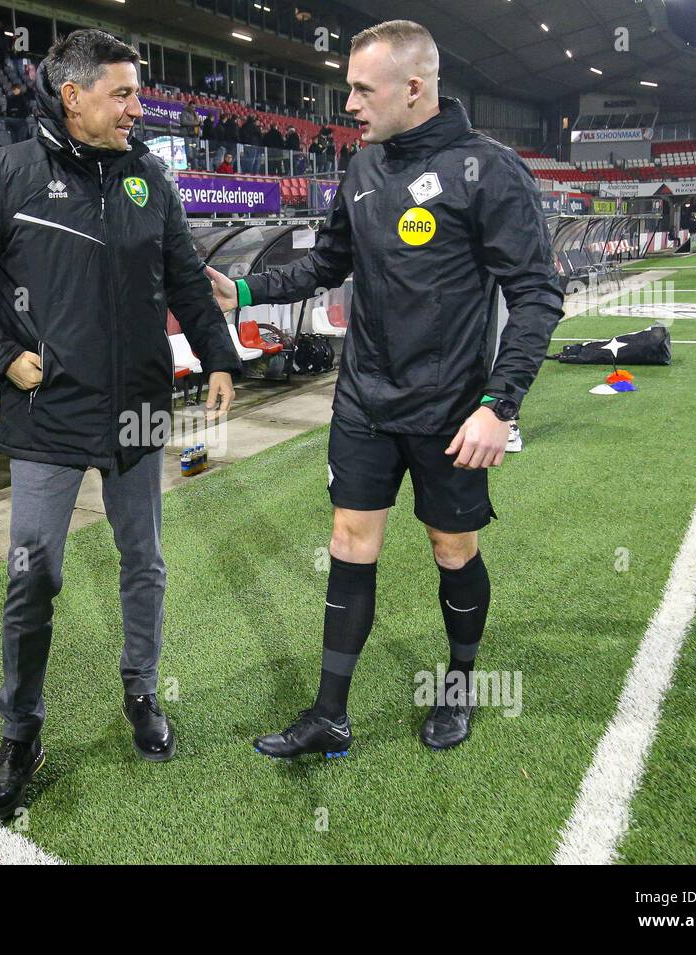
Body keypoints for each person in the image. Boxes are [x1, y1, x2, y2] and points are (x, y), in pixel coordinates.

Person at [205, 18, 563, 758]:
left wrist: (500, 405)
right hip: (365, 399)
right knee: (349, 541)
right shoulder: (362, 167)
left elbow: (537, 296)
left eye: (363, 90)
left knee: (450, 546)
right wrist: (241, 291)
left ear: (414, 87)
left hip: (452, 411)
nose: (351, 106)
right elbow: (323, 265)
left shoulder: (489, 170)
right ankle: (329, 715)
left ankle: (459, 689)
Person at [0, 28, 242, 820]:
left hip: (136, 410)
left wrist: (220, 358)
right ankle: (21, 733)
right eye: (124, 93)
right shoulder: (9, 176)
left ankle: (141, 694)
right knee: (33, 580)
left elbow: (187, 282)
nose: (139, 106)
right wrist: (3, 360)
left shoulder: (150, 178)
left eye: (137, 93)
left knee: (145, 564)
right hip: (48, 418)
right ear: (74, 96)